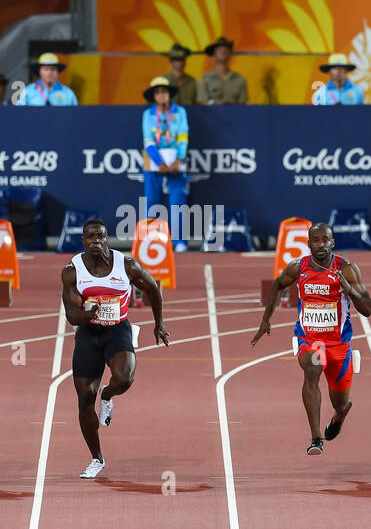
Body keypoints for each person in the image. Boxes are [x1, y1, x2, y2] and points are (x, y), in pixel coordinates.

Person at [250, 224, 371, 455]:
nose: (321, 244)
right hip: (309, 339)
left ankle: (340, 416)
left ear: (332, 243)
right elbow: (277, 284)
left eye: (325, 240)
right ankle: (316, 438)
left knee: (340, 402)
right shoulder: (299, 268)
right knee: (313, 367)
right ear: (308, 244)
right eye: (316, 240)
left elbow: (368, 309)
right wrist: (266, 319)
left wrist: (349, 291)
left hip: (339, 345)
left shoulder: (347, 269)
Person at [61, 219, 170, 478]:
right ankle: (96, 459)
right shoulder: (72, 271)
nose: (96, 241)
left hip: (118, 330)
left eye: (100, 236)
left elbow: (153, 287)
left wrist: (159, 323)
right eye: (90, 237)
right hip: (89, 333)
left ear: (107, 238)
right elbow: (72, 317)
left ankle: (107, 396)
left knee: (124, 379)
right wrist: (90, 314)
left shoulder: (127, 265)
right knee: (85, 399)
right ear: (83, 241)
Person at [141, 76, 191, 252]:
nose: (161, 95)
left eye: (164, 91)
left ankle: (179, 242)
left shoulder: (180, 112)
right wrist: (159, 161)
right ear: (153, 96)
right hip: (155, 160)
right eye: (157, 92)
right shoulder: (148, 114)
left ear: (169, 93)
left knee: (178, 200)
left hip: (176, 158)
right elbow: (148, 140)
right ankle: (152, 240)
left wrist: (179, 158)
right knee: (151, 199)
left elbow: (183, 136)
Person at [199, 36, 248, 105]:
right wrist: (213, 103)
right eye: (219, 50)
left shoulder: (240, 79)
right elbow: (201, 103)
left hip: (233, 115)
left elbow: (243, 105)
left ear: (230, 54)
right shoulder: (205, 79)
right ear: (213, 55)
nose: (222, 52)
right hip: (211, 115)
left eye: (225, 50)